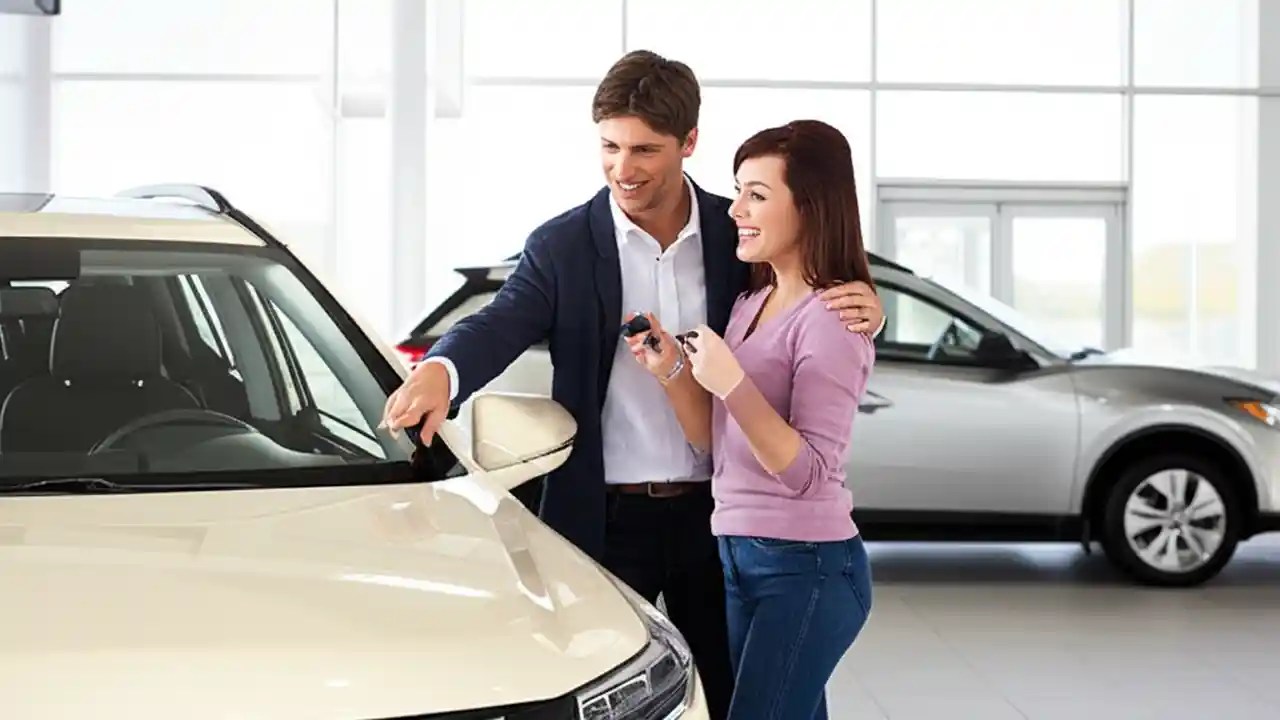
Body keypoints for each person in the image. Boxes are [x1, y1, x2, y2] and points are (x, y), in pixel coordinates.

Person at [380, 51, 884, 720]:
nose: (623, 167)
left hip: (721, 520)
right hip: (606, 521)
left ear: (689, 144)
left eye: (644, 148)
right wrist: (442, 370)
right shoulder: (562, 246)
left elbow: (811, 290)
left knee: (744, 697)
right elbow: (501, 322)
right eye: (610, 146)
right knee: (601, 699)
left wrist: (869, 307)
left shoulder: (735, 235)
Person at [624, 119, 876, 720]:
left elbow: (808, 475)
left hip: (807, 567)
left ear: (810, 207)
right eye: (739, 190)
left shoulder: (835, 318)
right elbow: (716, 442)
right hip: (739, 557)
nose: (736, 208)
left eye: (757, 194)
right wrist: (672, 373)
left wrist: (732, 381)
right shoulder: (750, 303)